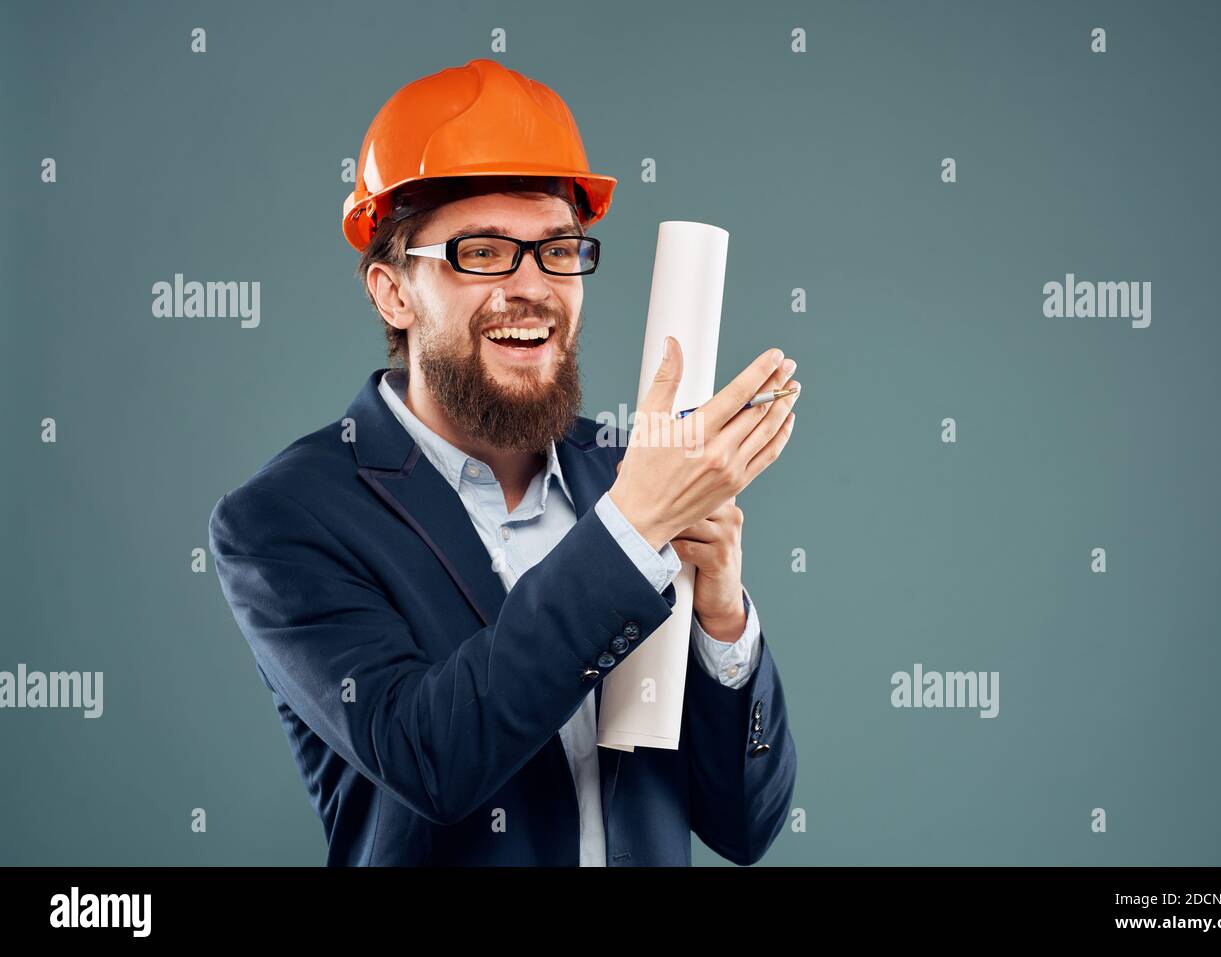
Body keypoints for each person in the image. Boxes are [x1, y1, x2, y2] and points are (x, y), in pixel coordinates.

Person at [209, 58, 800, 866]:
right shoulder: (284, 520)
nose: (532, 288)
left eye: (557, 249)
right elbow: (429, 754)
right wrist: (633, 529)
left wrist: (722, 621)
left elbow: (744, 827)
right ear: (392, 291)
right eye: (483, 253)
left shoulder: (625, 470)